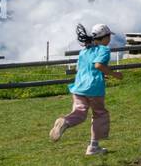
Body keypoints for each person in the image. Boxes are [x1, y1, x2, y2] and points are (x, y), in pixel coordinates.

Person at [50, 23, 122, 156]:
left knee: (79, 113)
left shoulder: (84, 51)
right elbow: (98, 65)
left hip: (78, 87)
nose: (109, 40)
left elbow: (79, 68)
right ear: (104, 37)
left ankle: (65, 122)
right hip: (94, 88)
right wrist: (114, 74)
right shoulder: (104, 50)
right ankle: (93, 147)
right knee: (100, 114)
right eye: (108, 37)